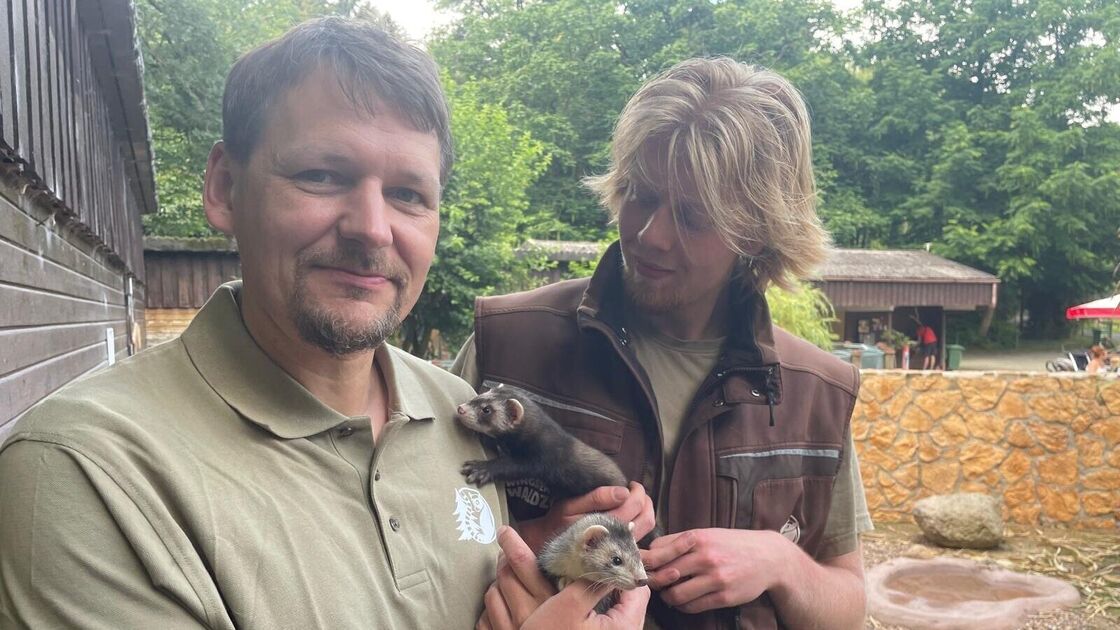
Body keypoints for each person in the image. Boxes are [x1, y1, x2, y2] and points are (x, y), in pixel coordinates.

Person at [0, 18, 600, 629]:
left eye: (409, 194)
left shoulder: (458, 411)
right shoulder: (85, 471)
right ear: (226, 189)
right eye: (322, 175)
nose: (371, 226)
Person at [453, 57, 872, 629]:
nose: (651, 235)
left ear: (756, 232)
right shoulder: (506, 344)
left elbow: (847, 607)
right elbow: (414, 548)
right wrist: (534, 548)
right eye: (641, 194)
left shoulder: (815, 392)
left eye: (693, 217)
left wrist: (783, 563)